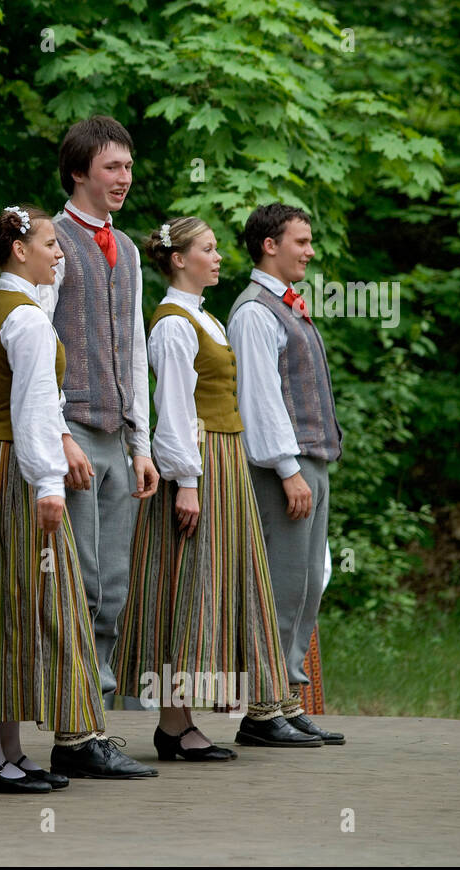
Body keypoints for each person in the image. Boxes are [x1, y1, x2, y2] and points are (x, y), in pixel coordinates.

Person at [113, 217, 293, 758]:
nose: (218, 258)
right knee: (186, 590)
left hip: (225, 459)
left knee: (214, 587)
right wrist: (187, 483)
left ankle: (188, 721)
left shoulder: (204, 317)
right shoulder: (172, 324)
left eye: (216, 249)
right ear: (179, 260)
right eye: (207, 249)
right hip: (199, 461)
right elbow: (174, 409)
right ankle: (173, 726)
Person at [0, 205, 103, 794]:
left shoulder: (6, 305)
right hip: (13, 468)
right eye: (50, 243)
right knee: (3, 603)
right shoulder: (28, 321)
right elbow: (34, 408)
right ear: (19, 249)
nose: (60, 254)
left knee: (4, 602)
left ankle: (7, 750)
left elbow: (19, 400)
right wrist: (49, 482)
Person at [38, 115, 160, 778]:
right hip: (73, 431)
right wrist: (55, 431)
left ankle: (95, 726)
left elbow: (135, 347)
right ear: (81, 170)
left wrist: (142, 442)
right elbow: (34, 338)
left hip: (117, 438)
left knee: (112, 588)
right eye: (112, 167)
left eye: (128, 167)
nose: (124, 178)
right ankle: (74, 729)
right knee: (79, 586)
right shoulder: (52, 241)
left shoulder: (131, 251)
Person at [226, 203, 344, 746]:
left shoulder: (286, 306)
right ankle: (262, 708)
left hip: (306, 464)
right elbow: (260, 399)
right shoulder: (254, 310)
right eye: (301, 240)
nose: (310, 250)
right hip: (282, 470)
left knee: (304, 586)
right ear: (270, 245)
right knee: (280, 585)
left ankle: (286, 697)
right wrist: (289, 469)